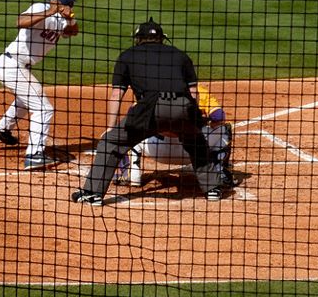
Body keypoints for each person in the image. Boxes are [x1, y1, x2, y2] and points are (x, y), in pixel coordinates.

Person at [73, 18, 226, 205]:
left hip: (150, 109)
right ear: (161, 38)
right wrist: (192, 121)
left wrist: (111, 128)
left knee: (111, 142)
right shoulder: (180, 55)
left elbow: (116, 95)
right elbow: (193, 92)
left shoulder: (127, 56)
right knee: (197, 143)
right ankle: (213, 189)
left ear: (138, 39)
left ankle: (93, 194)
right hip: (183, 106)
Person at [0, 0, 80, 170]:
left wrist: (69, 19)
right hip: (11, 65)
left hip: (20, 67)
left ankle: (2, 130)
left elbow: (73, 32)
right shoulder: (40, 8)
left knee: (27, 100)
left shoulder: (62, 19)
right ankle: (34, 155)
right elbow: (20, 21)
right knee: (44, 108)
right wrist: (49, 11)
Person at [115, 84, 234, 190]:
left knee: (129, 127)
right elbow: (218, 116)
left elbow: (132, 114)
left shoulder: (151, 91)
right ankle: (220, 173)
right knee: (224, 129)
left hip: (157, 150)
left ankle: (130, 174)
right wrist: (200, 121)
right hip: (194, 150)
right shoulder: (199, 91)